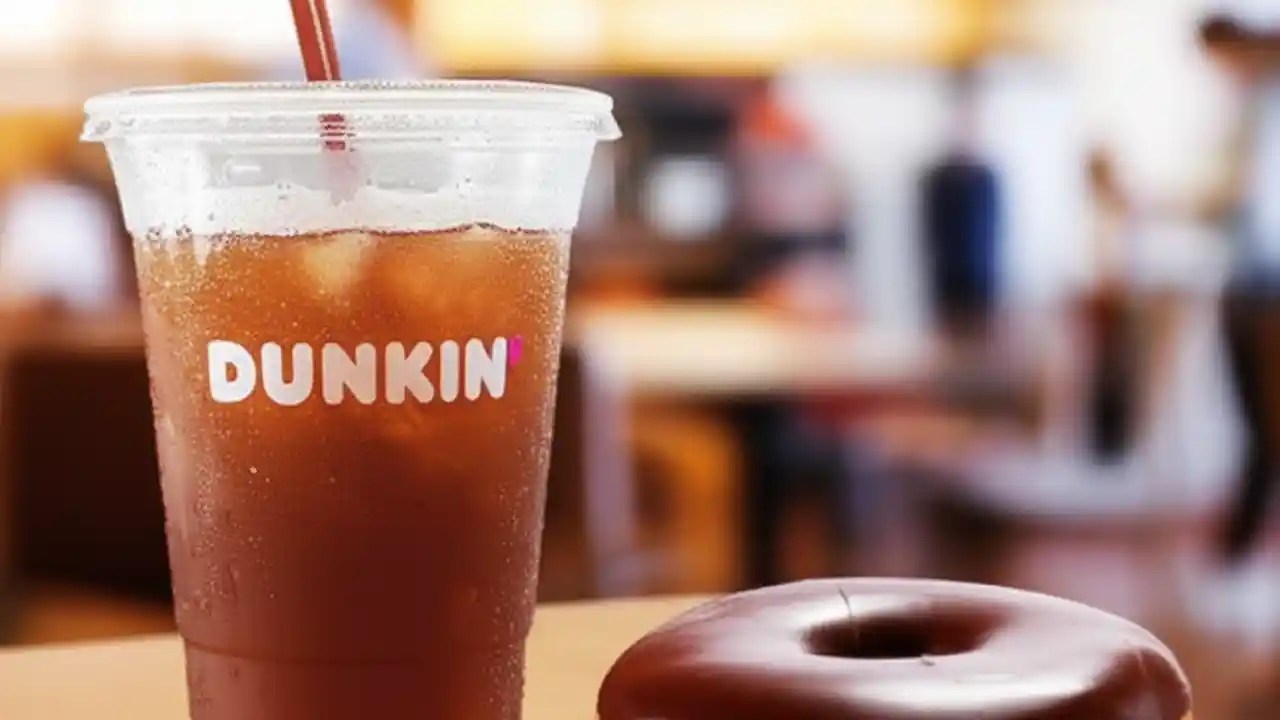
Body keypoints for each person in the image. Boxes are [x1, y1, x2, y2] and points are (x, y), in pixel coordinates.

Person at [1202, 14, 1280, 563]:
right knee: (1259, 432)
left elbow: (1237, 202)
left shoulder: (1264, 109)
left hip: (1265, 293)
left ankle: (1237, 553)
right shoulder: (1251, 108)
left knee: (1266, 432)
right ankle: (1236, 552)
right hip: (1250, 285)